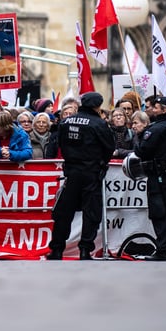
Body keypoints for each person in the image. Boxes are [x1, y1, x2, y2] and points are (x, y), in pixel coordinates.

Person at [47, 92, 115, 260]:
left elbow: (60, 143)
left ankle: (56, 249)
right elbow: (109, 147)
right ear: (98, 106)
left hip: (71, 171)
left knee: (64, 213)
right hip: (91, 172)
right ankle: (85, 249)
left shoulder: (66, 121)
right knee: (91, 212)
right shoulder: (99, 124)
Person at [134, 95, 166, 260]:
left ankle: (163, 250)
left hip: (160, 176)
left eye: (155, 107)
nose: (152, 110)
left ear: (163, 110)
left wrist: (140, 135)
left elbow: (142, 151)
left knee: (160, 213)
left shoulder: (157, 128)